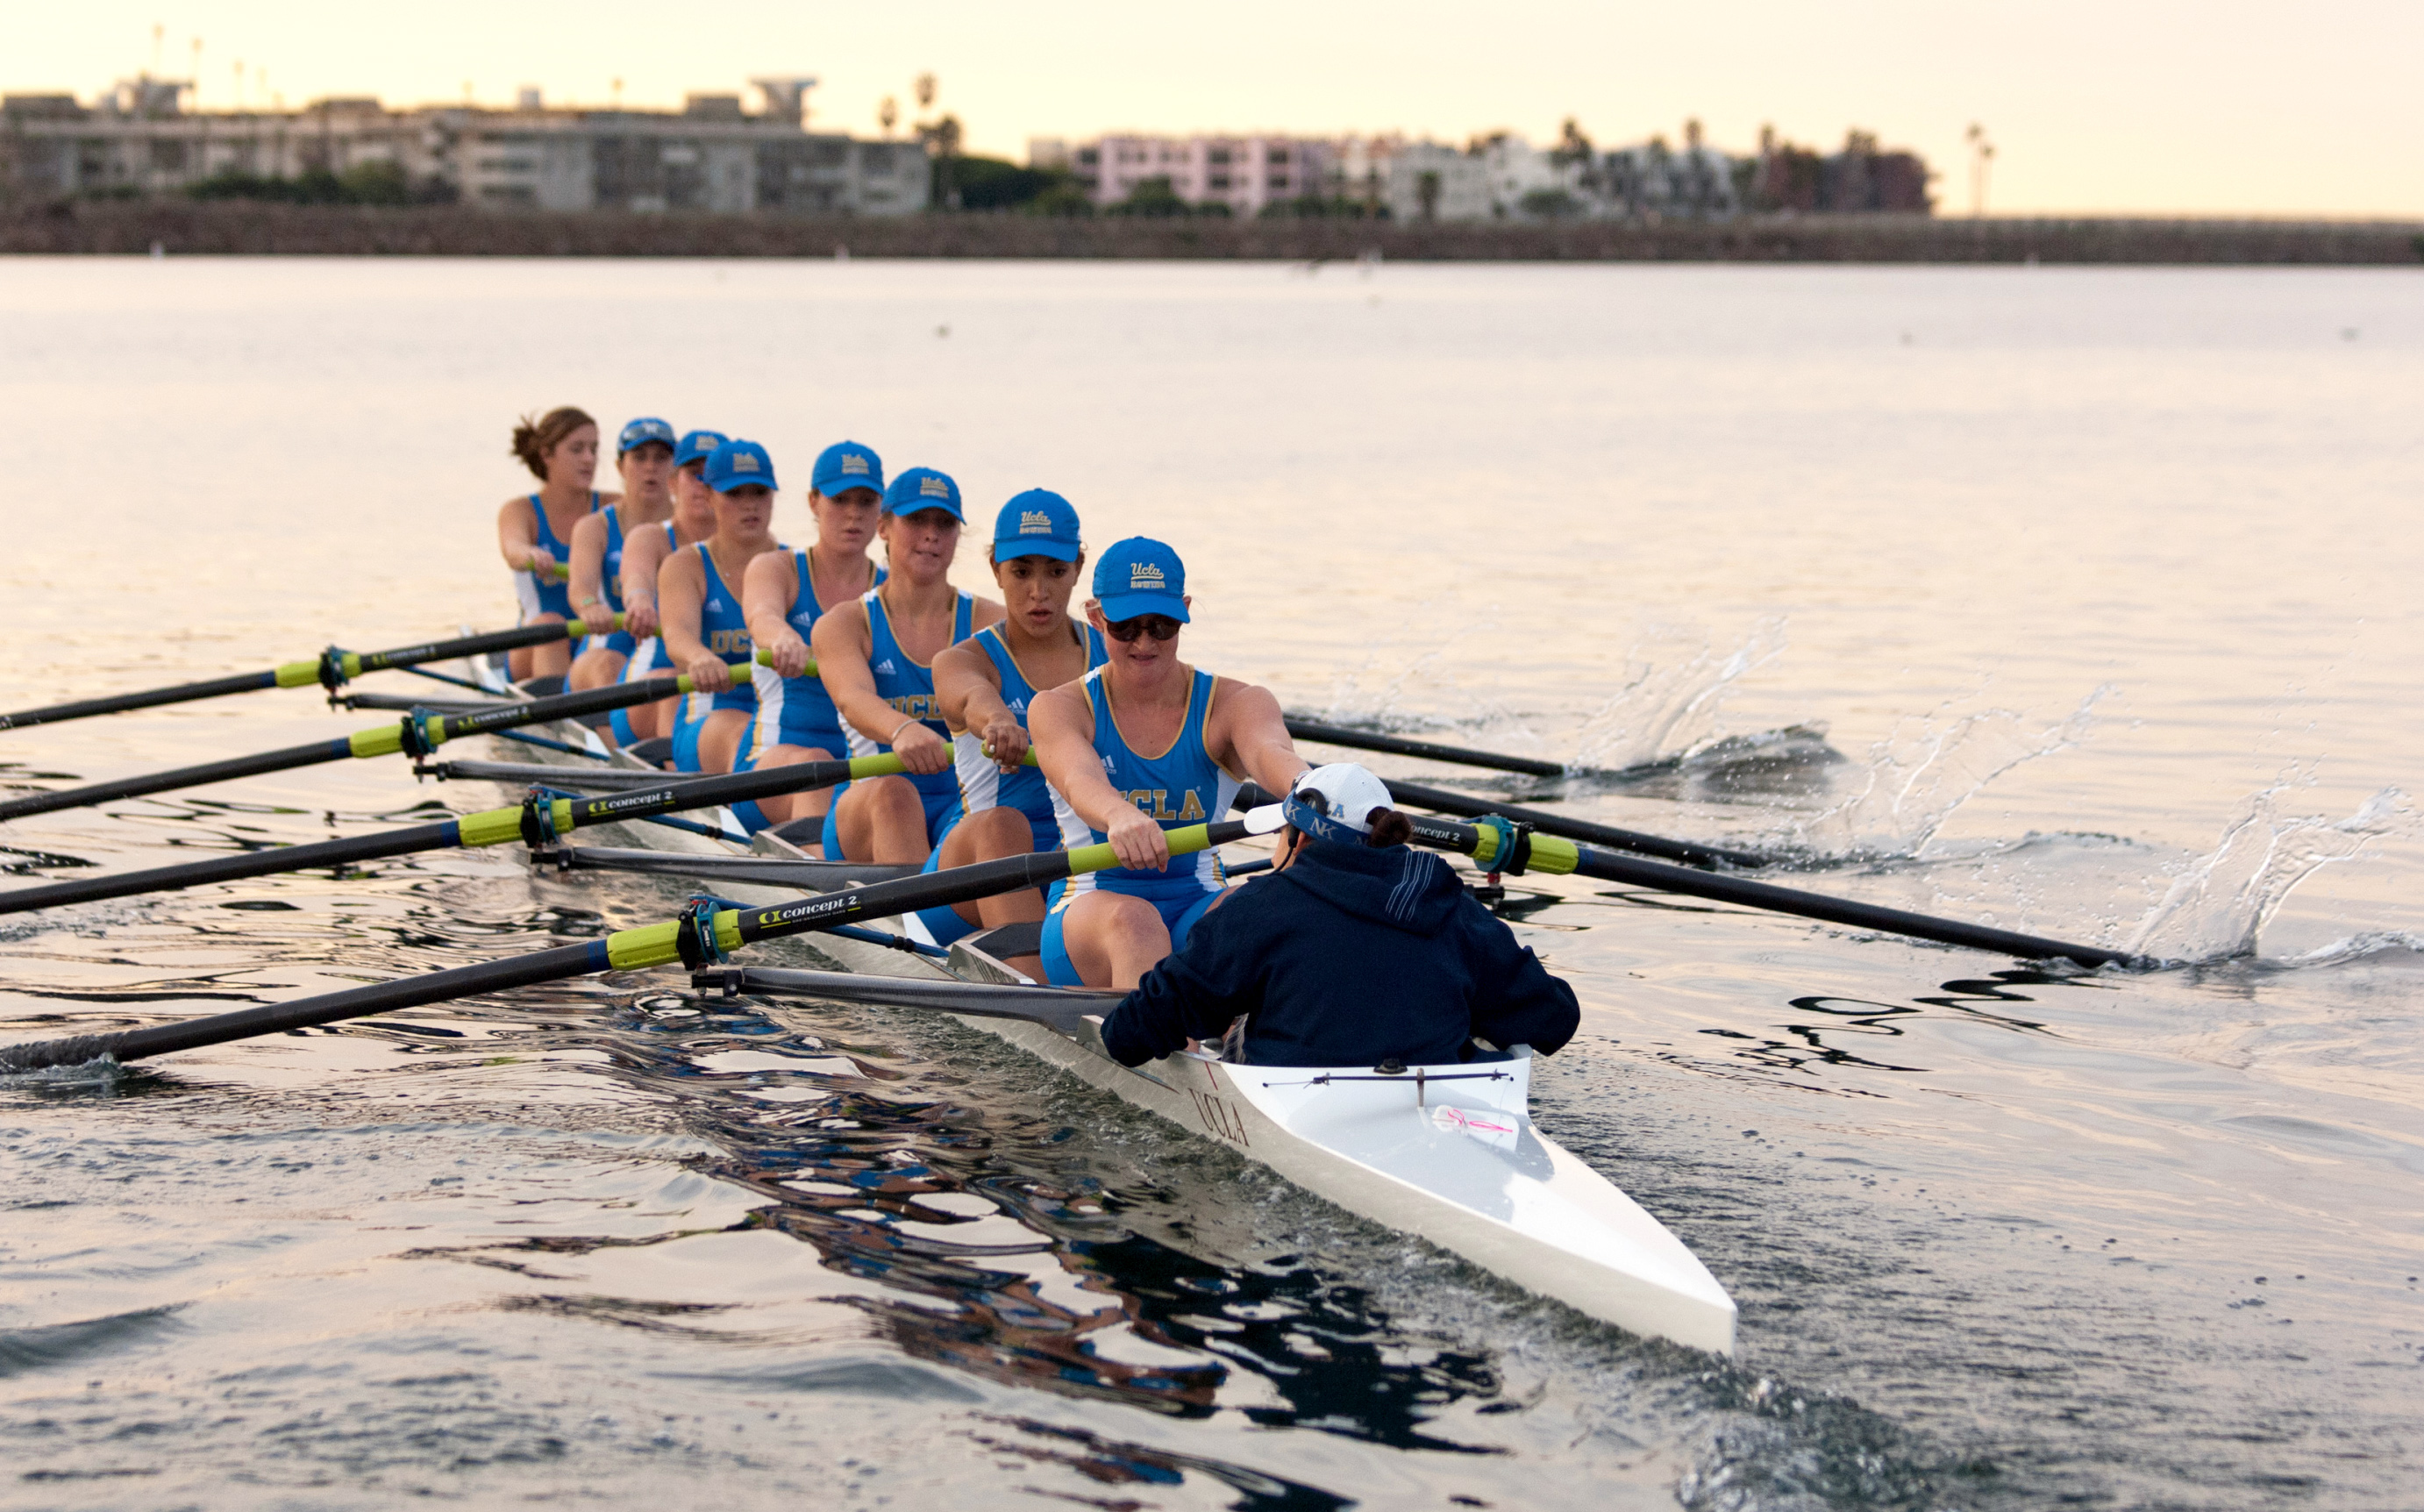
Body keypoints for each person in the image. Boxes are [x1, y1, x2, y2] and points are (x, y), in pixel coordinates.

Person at [1098, 763, 1582, 1069]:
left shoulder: (1260, 907)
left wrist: (1116, 1031)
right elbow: (1555, 1019)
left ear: (1300, 835)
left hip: (1296, 1104)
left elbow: (1131, 1036)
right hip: (1440, 1099)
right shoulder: (1453, 906)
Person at [1030, 538, 1308, 989]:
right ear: (1096, 616)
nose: (1144, 642)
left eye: (1161, 625)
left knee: (1269, 915)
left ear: (1184, 611)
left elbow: (1271, 753)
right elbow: (1079, 778)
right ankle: (1168, 1047)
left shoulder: (1237, 703)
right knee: (1136, 923)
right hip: (1094, 912)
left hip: (1197, 904)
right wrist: (1119, 814)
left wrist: (1313, 788)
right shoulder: (1059, 707)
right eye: (1126, 627)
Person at [923, 489, 1108, 959]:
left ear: (1079, 568)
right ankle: (1036, 989)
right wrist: (1000, 720)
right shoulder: (963, 659)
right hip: (968, 878)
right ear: (995, 572)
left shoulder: (1118, 655)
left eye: (1056, 571)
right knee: (1001, 825)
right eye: (1021, 572)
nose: (1038, 591)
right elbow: (971, 695)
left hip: (1085, 868)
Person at [811, 467, 1005, 864]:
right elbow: (852, 699)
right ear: (882, 527)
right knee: (896, 793)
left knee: (1003, 821)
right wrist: (901, 729)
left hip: (962, 803)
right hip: (871, 801)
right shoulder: (846, 624)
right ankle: (909, 923)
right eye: (917, 520)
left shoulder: (992, 623)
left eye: (945, 524)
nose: (931, 535)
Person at [741, 441, 888, 829]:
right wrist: (783, 638)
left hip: (863, 767)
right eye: (840, 499)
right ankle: (815, 874)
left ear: (882, 511)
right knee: (817, 763)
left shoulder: (892, 591)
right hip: (775, 759)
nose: (854, 514)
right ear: (813, 502)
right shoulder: (778, 568)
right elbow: (762, 614)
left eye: (866, 501)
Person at [657, 438, 783, 774]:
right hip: (711, 717)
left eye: (759, 493)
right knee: (743, 734)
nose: (749, 505)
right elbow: (677, 636)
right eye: (734, 494)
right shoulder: (685, 565)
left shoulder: (793, 566)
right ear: (709, 496)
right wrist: (699, 657)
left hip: (782, 722)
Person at [610, 428, 727, 748]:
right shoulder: (651, 538)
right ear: (673, 482)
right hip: (653, 683)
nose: (704, 486)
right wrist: (640, 601)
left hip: (724, 690)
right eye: (695, 475)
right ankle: (673, 780)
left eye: (713, 477)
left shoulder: (762, 555)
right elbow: (636, 576)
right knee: (675, 687)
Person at [495, 406, 615, 681]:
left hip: (598, 639)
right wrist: (529, 554)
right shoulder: (521, 511)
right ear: (547, 455)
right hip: (537, 643)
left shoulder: (614, 507)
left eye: (594, 449)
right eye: (577, 449)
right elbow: (513, 549)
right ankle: (558, 718)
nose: (589, 459)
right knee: (551, 624)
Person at [567, 417, 677, 693]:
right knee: (610, 668)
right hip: (607, 647)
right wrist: (590, 606)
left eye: (661, 458)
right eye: (639, 457)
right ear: (620, 466)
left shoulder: (691, 529)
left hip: (668, 650)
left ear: (675, 468)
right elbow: (581, 587)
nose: (651, 467)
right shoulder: (595, 527)